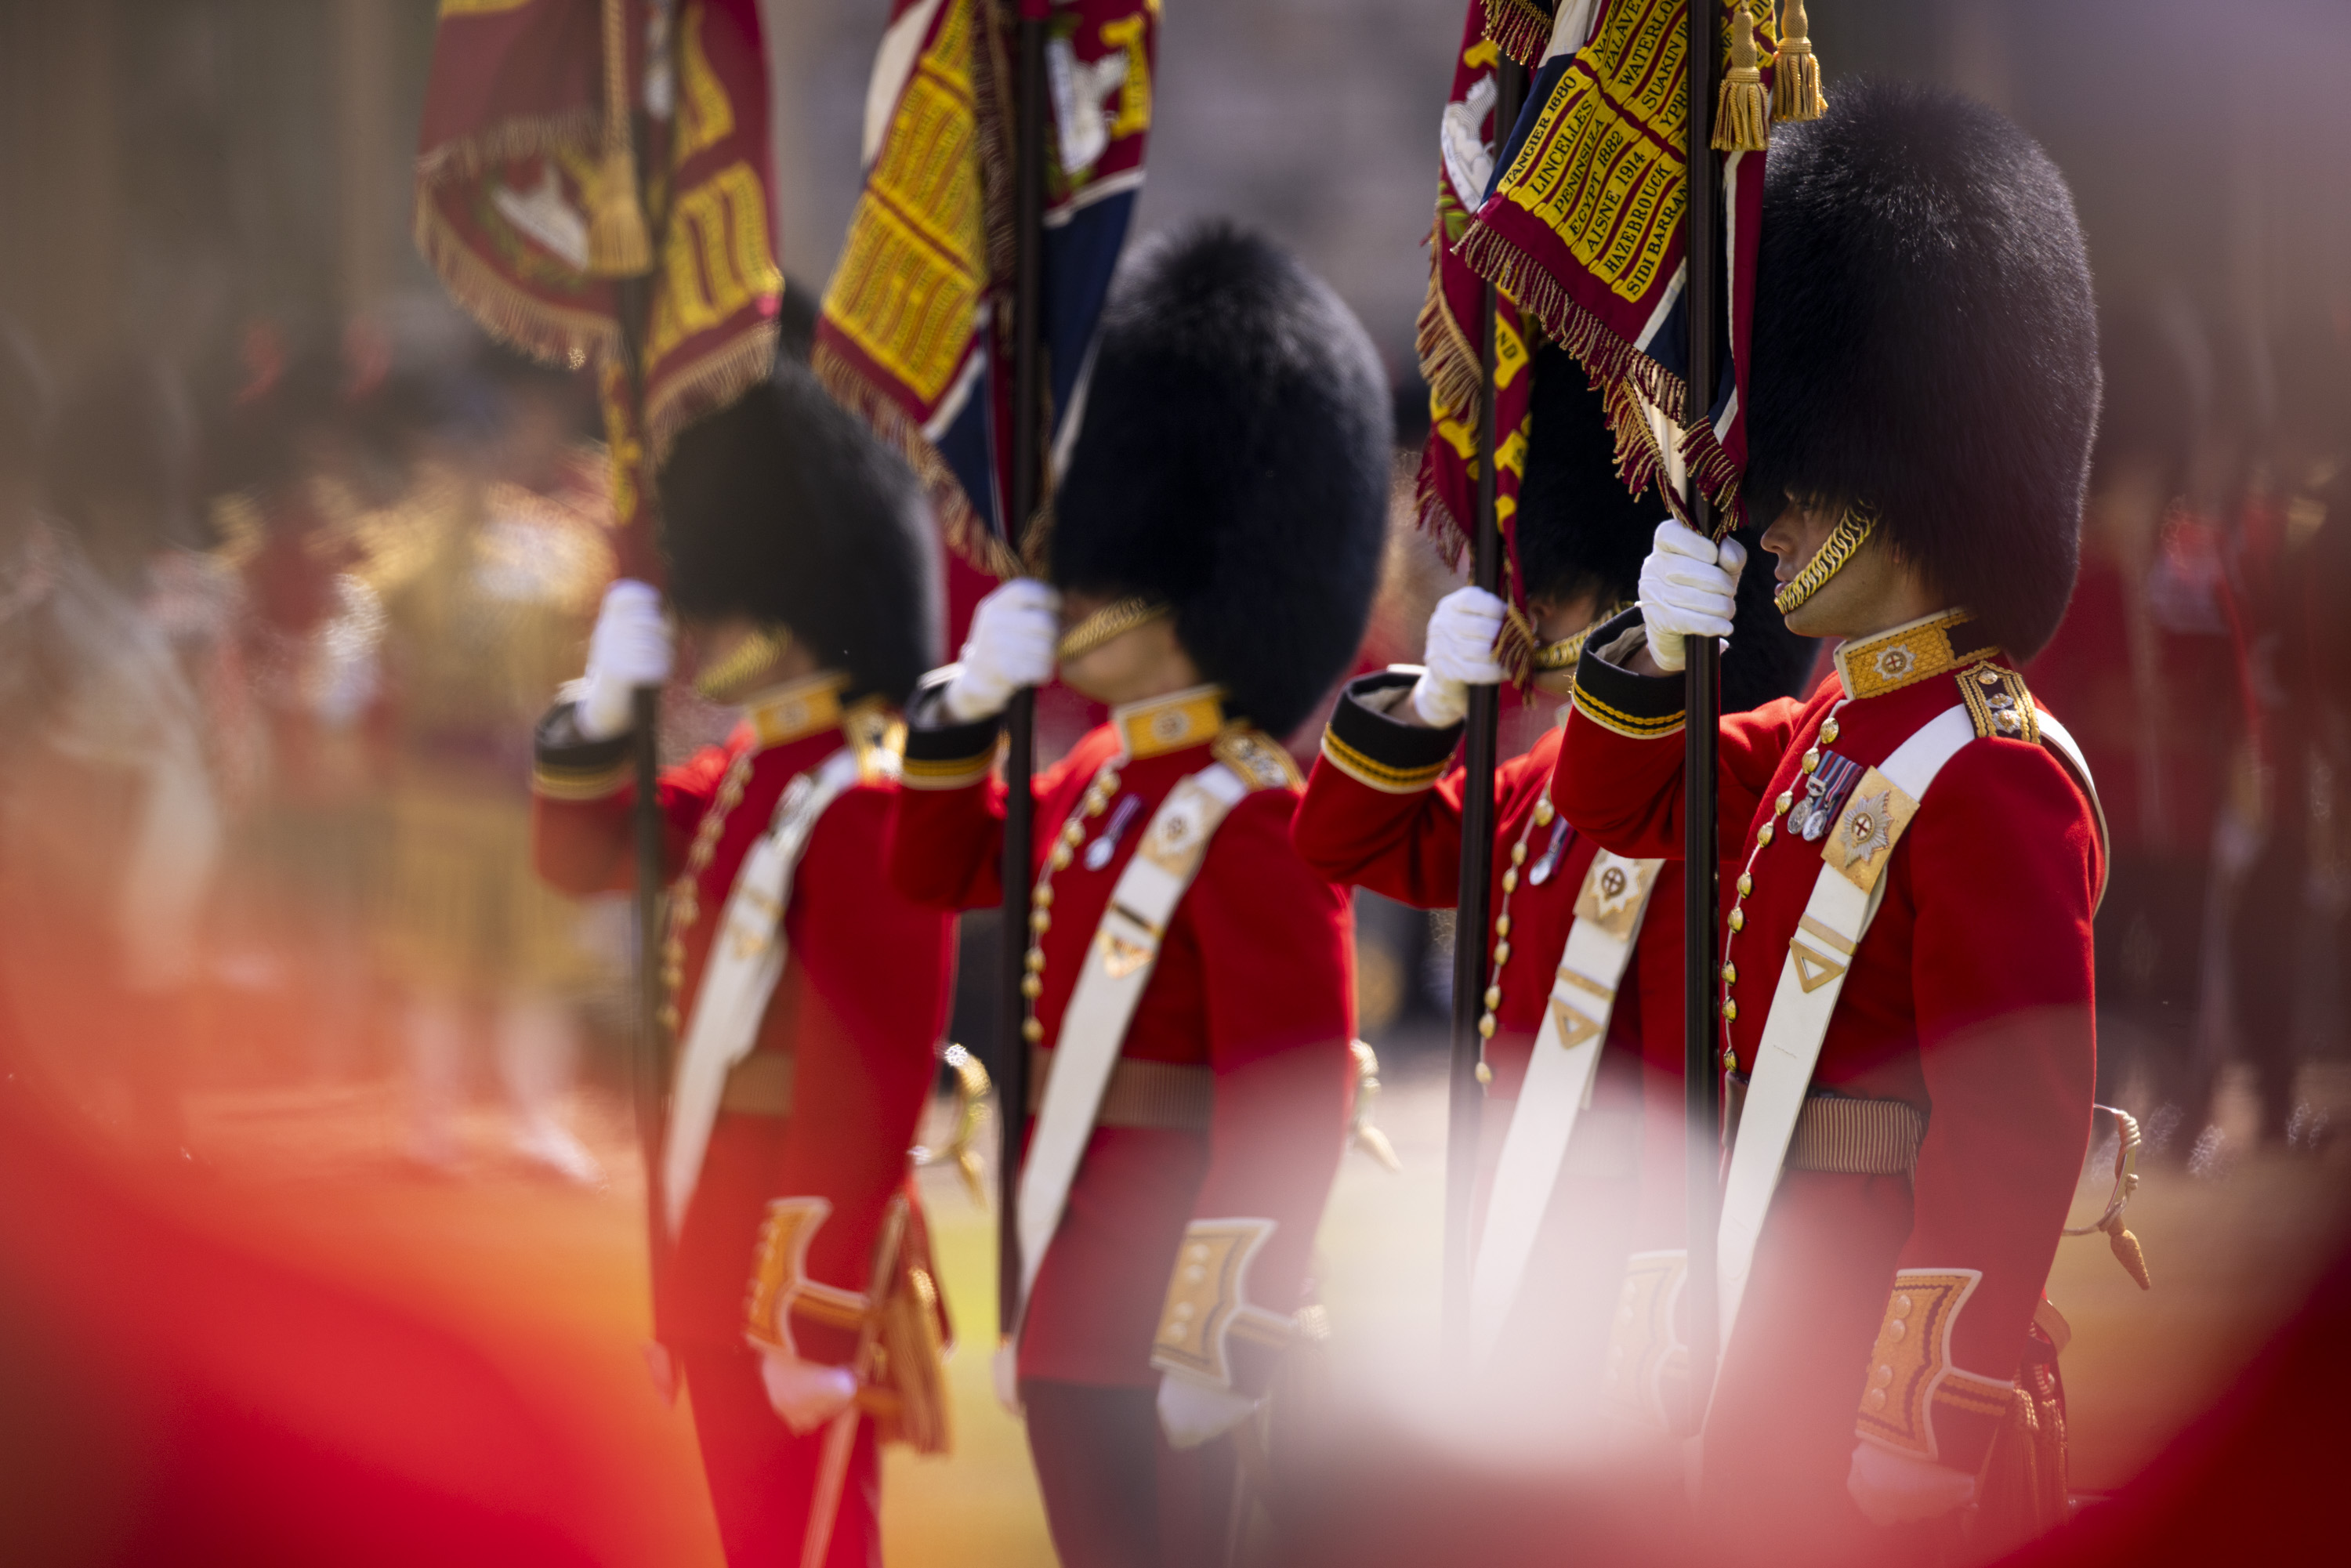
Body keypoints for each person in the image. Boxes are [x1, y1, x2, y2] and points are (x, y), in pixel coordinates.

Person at [1549, 82, 2107, 1559]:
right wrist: (1648, 655)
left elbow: (2012, 1129)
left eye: (1796, 479)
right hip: (1752, 1316)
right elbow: (1617, 803)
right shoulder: (1821, 735)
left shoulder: (1992, 765)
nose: (1767, 514)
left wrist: (1924, 1410)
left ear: (1902, 467)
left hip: (1873, 1365)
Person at [885, 222, 1389, 1568]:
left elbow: (1289, 1094)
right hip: (1063, 1291)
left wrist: (1229, 1322)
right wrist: (961, 715)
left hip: (1174, 1306)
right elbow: (938, 866)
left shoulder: (1254, 812)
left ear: (1181, 592)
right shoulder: (1102, 778)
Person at [1290, 348, 1806, 1427]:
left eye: (1566, 598)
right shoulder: (1539, 793)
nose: (1547, 621)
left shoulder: (1744, 781)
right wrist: (1428, 705)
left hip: (1658, 1284)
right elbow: (1342, 834)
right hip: (1521, 1260)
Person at [529, 359, 954, 1567]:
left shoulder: (863, 797)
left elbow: (866, 1069)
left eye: (720, 598)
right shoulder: (747, 780)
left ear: (791, 605)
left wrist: (813, 1305)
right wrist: (604, 702)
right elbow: (580, 853)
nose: (698, 624)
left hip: (789, 1250)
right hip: (711, 1232)